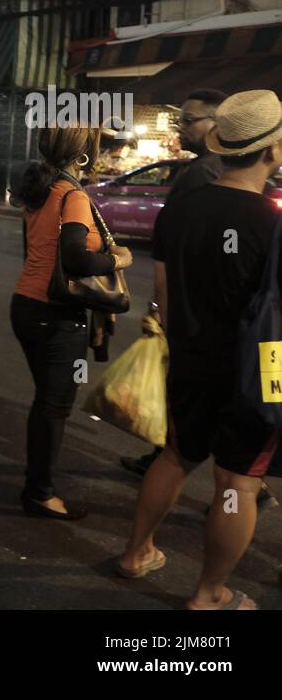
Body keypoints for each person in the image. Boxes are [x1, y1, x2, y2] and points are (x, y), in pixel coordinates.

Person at [117, 90, 282, 609]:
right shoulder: (270, 222)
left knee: (175, 455)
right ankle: (210, 592)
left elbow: (162, 288)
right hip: (250, 375)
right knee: (237, 484)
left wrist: (177, 338)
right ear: (272, 152)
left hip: (189, 358)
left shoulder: (182, 206)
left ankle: (136, 552)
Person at [10, 126, 133, 520]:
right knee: (54, 405)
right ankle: (40, 493)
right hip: (55, 313)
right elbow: (76, 259)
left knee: (45, 400)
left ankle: (37, 480)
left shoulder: (39, 188)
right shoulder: (73, 196)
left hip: (25, 305)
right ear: (82, 157)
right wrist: (118, 259)